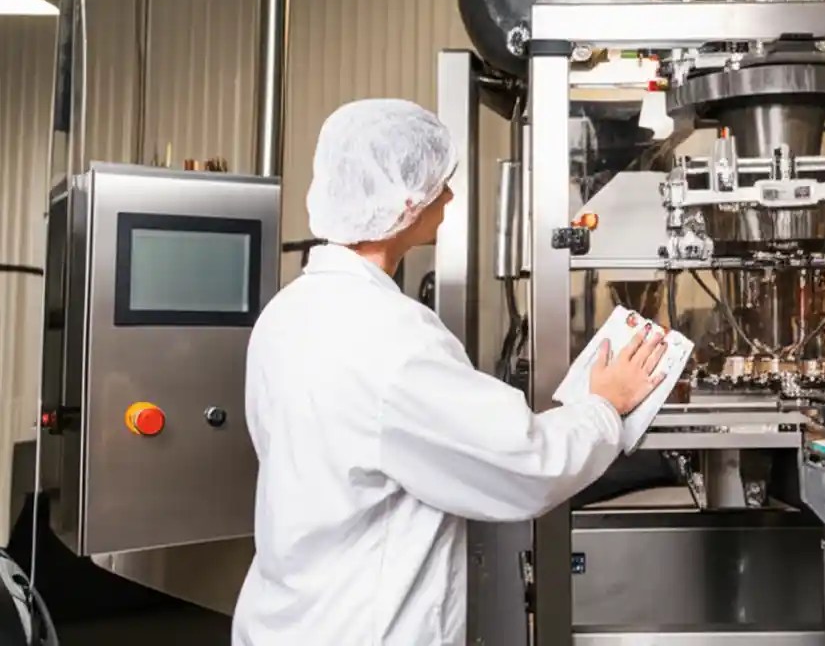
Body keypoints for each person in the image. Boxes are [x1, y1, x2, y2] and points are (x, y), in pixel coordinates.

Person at [231, 99, 668, 645]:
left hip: (289, 616)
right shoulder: (391, 336)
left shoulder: (287, 312)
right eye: (442, 185)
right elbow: (526, 464)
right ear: (407, 204)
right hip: (367, 628)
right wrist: (605, 404)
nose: (451, 197)